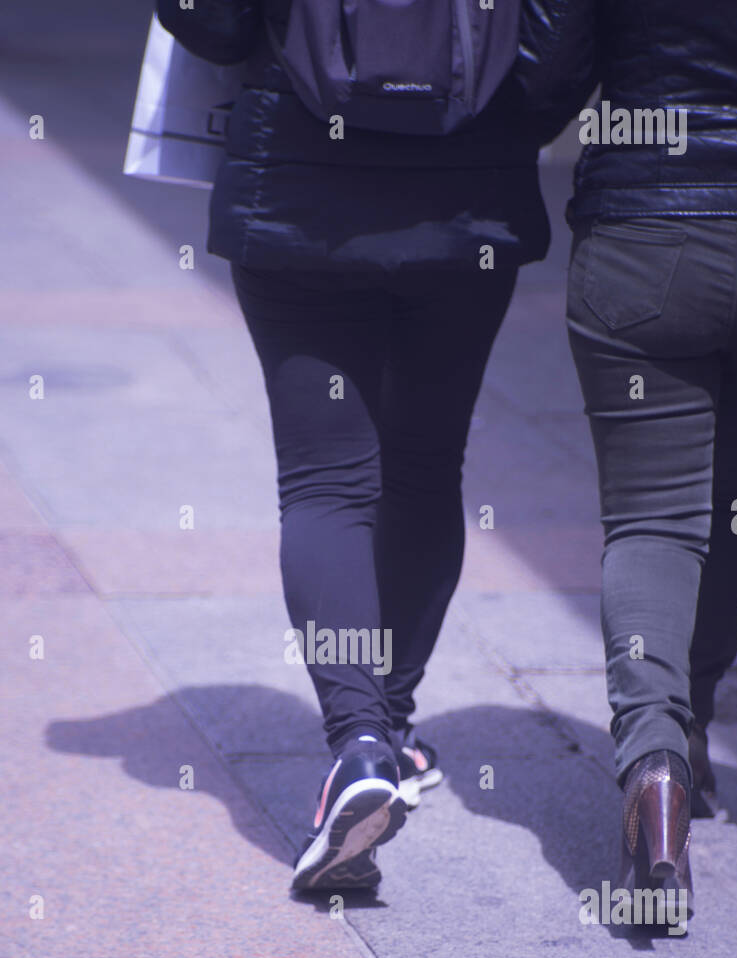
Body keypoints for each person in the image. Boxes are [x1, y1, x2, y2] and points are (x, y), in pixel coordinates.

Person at [158, 0, 553, 891]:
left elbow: (211, 21)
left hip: (300, 188)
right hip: (469, 189)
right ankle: (390, 729)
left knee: (325, 481)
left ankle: (360, 743)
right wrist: (485, 110)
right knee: (424, 464)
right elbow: (561, 45)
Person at [518, 0, 737, 914]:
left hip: (649, 235)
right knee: (736, 497)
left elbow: (543, 78)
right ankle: (690, 730)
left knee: (655, 517)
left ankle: (656, 769)